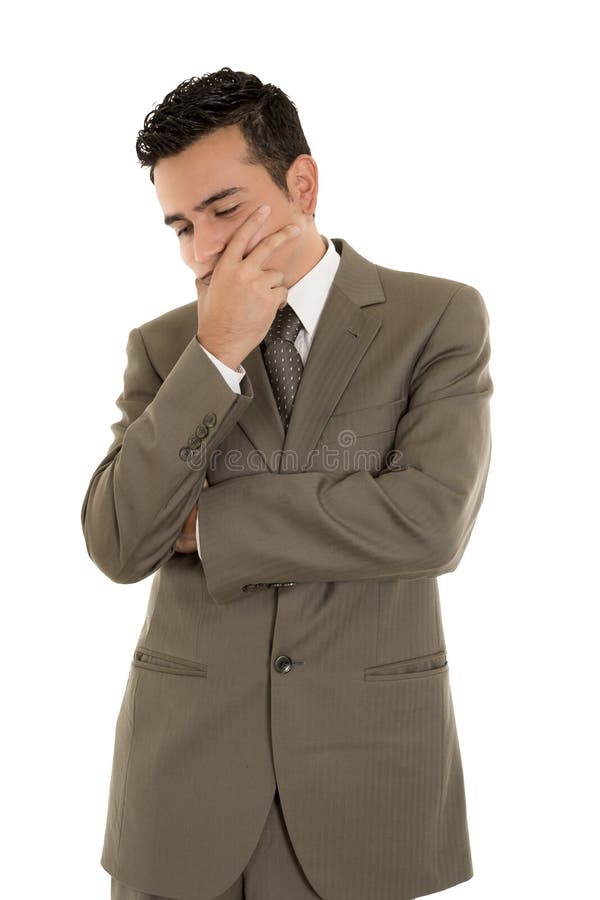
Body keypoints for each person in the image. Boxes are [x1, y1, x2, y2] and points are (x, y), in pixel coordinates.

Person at [81, 67, 493, 900]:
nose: (201, 251)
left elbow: (430, 521)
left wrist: (211, 527)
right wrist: (214, 357)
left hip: (367, 784)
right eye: (181, 226)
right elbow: (120, 543)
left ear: (302, 184)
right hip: (183, 793)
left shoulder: (437, 319)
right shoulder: (165, 349)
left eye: (224, 210)